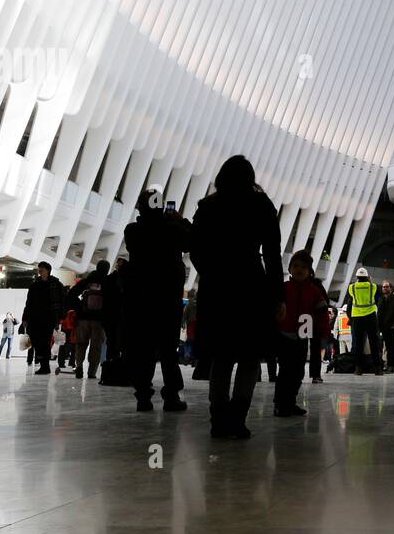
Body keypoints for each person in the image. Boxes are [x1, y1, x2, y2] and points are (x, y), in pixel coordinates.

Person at [191, 155, 283, 439]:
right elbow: (272, 254)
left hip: (217, 288)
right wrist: (277, 294)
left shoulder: (208, 207)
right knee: (249, 356)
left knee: (221, 356)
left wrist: (210, 273)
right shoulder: (261, 206)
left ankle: (218, 418)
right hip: (251, 285)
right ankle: (238, 418)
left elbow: (196, 251)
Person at [123, 189, 193, 410]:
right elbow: (191, 242)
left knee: (143, 349)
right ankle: (171, 396)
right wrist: (180, 220)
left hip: (142, 299)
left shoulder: (133, 231)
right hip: (167, 298)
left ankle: (143, 395)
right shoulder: (171, 229)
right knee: (168, 349)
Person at [275, 250, 329, 416]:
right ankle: (280, 404)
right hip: (284, 335)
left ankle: (290, 402)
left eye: (304, 267)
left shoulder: (314, 291)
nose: (299, 270)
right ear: (290, 269)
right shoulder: (283, 288)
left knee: (298, 371)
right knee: (285, 371)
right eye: (296, 266)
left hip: (302, 335)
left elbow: (321, 313)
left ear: (309, 271)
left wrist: (324, 331)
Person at [22, 262, 65, 375]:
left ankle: (45, 366)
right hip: (35, 318)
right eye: (39, 269)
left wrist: (60, 317)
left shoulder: (56, 284)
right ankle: (43, 365)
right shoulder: (34, 285)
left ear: (47, 270)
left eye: (42, 269)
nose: (39, 271)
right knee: (37, 342)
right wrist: (25, 318)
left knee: (45, 342)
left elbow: (62, 302)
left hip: (49, 318)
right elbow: (29, 303)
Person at [69, 260, 110, 379]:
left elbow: (72, 294)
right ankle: (91, 372)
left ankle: (79, 366)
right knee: (96, 346)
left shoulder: (87, 281)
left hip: (83, 319)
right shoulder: (107, 282)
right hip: (99, 320)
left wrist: (79, 307)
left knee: (81, 344)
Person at [343, 267, 383, 375]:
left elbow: (350, 302)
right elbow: (379, 299)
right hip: (370, 316)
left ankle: (358, 368)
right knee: (374, 342)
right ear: (367, 277)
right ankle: (377, 368)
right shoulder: (372, 286)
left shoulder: (352, 287)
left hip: (357, 317)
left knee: (358, 343)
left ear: (357, 277)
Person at [376, 280, 394, 373]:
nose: (385, 288)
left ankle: (392, 366)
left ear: (391, 288)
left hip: (392, 327)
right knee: (387, 347)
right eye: (383, 287)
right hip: (383, 328)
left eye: (387, 286)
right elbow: (379, 313)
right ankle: (388, 365)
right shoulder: (381, 299)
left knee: (393, 347)